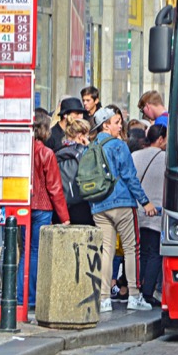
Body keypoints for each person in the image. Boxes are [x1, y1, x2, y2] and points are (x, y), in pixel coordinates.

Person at [89, 106, 157, 312]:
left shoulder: (92, 147)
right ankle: (134, 296)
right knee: (131, 249)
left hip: (99, 205)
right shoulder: (119, 146)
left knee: (107, 251)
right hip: (121, 203)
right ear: (106, 125)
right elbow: (129, 177)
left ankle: (104, 299)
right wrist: (145, 201)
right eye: (116, 122)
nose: (120, 126)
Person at [21, 110, 71, 309]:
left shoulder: (22, 151)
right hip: (42, 207)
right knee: (35, 252)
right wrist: (64, 217)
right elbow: (55, 187)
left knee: (24, 252)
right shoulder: (46, 153)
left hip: (24, 206)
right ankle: (32, 297)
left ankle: (19, 295)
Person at [133, 124, 167, 305]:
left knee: (140, 253)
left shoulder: (135, 155)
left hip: (138, 212)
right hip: (156, 214)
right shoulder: (168, 159)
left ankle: (136, 288)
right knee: (154, 253)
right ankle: (148, 293)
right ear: (160, 139)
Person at [57, 118, 95, 227]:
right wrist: (89, 146)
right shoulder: (85, 153)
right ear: (80, 136)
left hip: (62, 208)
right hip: (83, 206)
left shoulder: (57, 152)